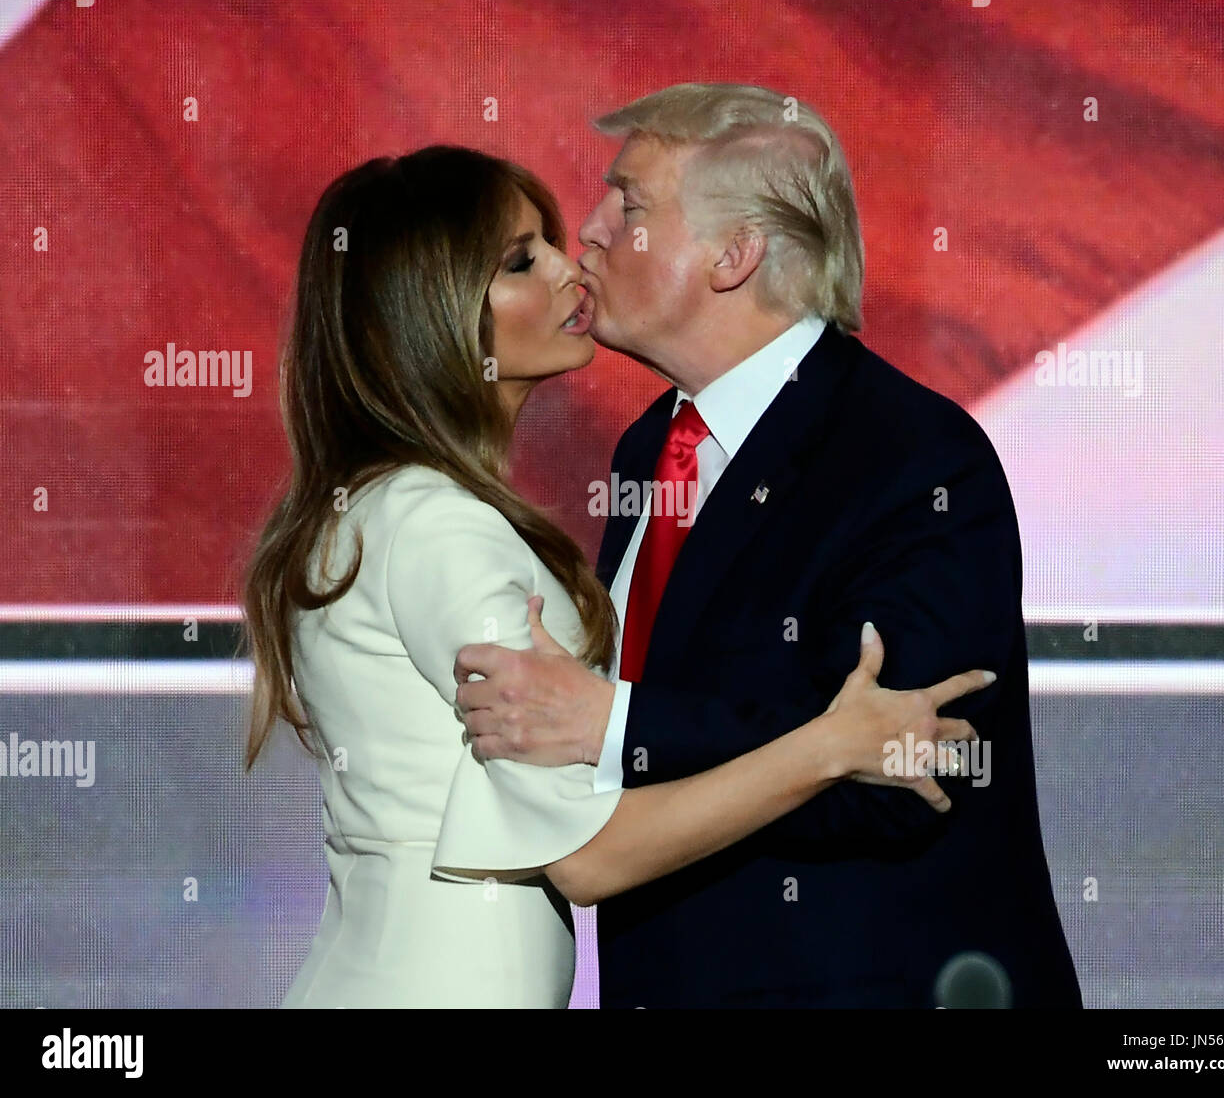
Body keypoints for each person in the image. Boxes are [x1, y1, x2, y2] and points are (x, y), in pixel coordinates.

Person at [241, 144, 993, 1008]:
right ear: (427, 316)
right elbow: (589, 855)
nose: (575, 266)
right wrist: (830, 744)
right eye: (523, 261)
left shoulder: (387, 505)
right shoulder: (440, 524)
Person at [453, 84, 1084, 1008]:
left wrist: (611, 722)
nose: (587, 230)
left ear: (735, 254)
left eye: (628, 203)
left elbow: (909, 761)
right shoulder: (652, 447)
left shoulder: (912, 454)